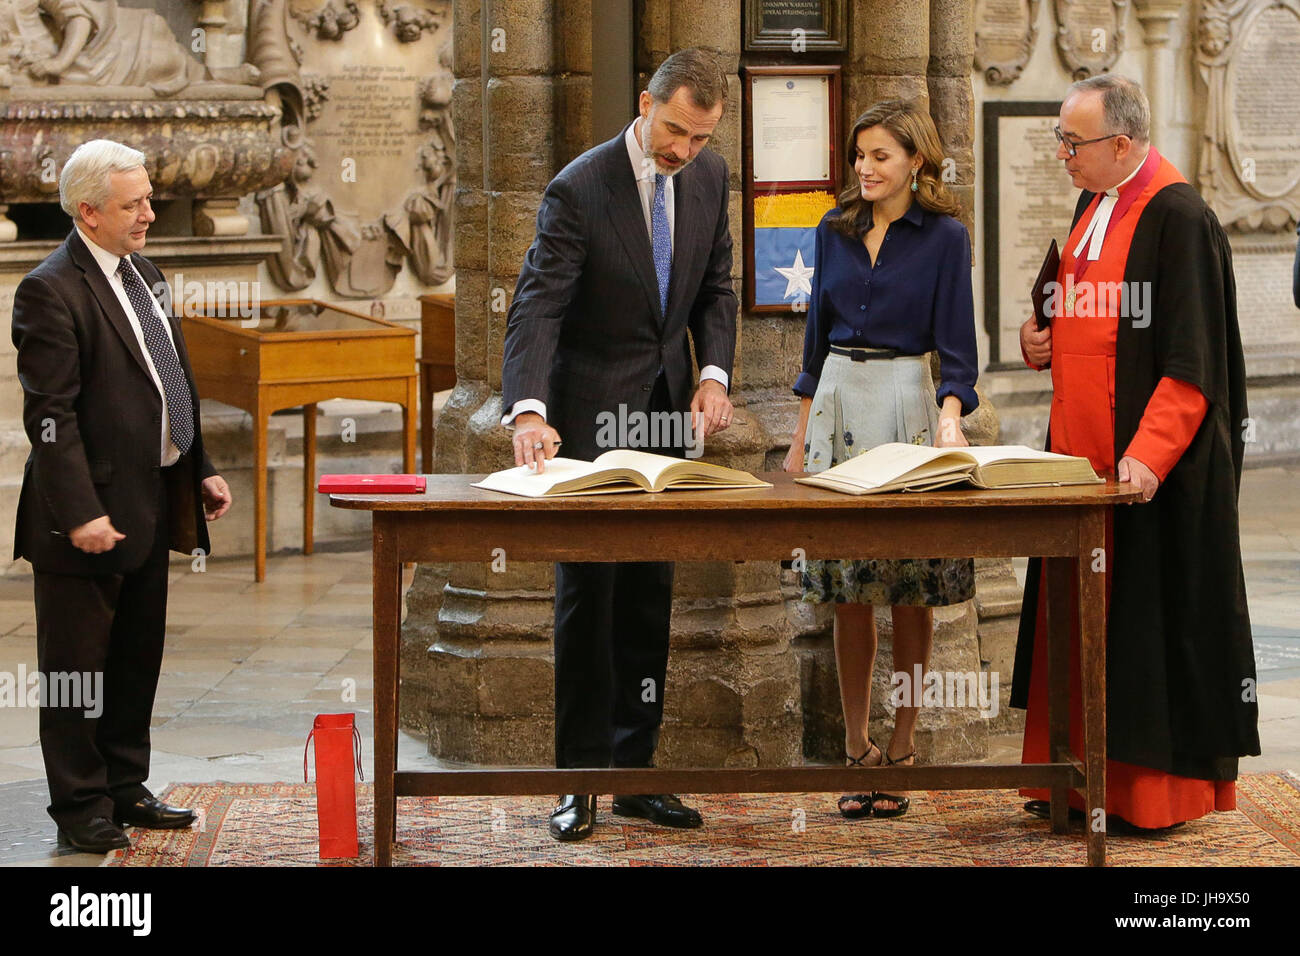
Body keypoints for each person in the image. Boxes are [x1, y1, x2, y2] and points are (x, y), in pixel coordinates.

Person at [500, 48, 736, 841]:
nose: (683, 152)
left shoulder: (709, 179)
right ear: (646, 102)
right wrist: (529, 409)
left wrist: (717, 375)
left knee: (647, 598)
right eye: (674, 132)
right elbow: (538, 305)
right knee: (587, 602)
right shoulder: (581, 185)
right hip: (591, 419)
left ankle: (636, 776)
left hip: (669, 420)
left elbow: (716, 288)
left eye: (699, 139)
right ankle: (580, 782)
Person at [1013, 75, 1259, 830]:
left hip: (1141, 478)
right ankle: (1071, 777)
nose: (1062, 154)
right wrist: (1039, 341)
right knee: (1074, 622)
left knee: (1140, 632)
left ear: (1121, 145)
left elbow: (1194, 361)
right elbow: (1085, 318)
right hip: (1076, 465)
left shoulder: (1179, 215)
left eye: (1072, 142)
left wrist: (1148, 457)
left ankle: (1142, 795)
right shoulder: (1096, 200)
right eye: (1060, 139)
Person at [12, 139, 232, 853]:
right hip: (85, 517)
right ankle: (80, 809)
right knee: (77, 673)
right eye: (133, 204)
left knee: (137, 656)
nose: (148, 214)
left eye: (147, 199)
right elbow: (50, 415)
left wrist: (197, 466)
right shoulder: (49, 288)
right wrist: (80, 511)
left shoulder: (145, 272)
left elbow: (172, 377)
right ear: (88, 211)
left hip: (150, 499)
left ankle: (125, 786)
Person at [785, 101, 979, 819]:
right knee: (845, 586)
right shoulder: (832, 232)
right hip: (838, 398)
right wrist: (800, 436)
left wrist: (949, 421)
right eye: (859, 155)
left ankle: (903, 743)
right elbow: (812, 349)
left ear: (915, 163)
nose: (865, 169)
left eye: (881, 157)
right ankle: (854, 745)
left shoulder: (945, 238)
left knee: (909, 586)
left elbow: (957, 351)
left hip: (905, 402)